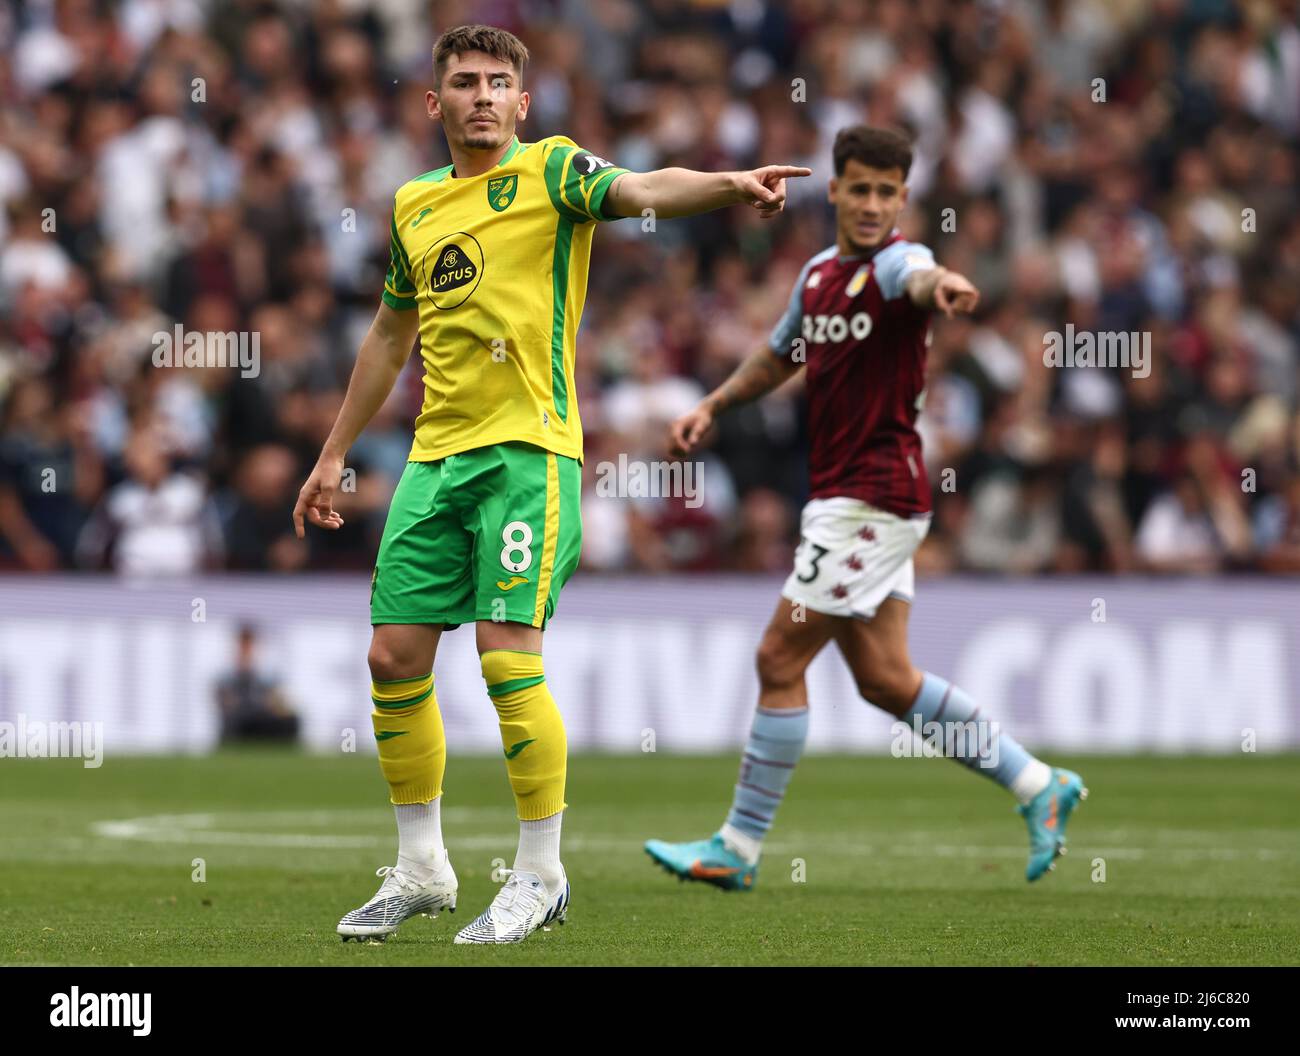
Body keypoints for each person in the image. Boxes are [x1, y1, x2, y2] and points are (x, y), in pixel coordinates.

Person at [291, 24, 810, 944]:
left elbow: (645, 188)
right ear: (435, 102)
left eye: (499, 82)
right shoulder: (413, 204)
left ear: (523, 103)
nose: (483, 95)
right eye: (464, 82)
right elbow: (386, 335)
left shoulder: (555, 172)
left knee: (504, 658)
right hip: (434, 458)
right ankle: (422, 866)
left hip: (528, 455)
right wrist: (334, 452)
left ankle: (539, 873)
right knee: (392, 657)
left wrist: (731, 185)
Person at [646, 125, 1087, 890]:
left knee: (777, 656)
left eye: (889, 192)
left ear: (903, 198)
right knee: (885, 678)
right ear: (838, 191)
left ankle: (737, 849)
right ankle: (1038, 784)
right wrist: (712, 405)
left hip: (873, 500)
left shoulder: (897, 268)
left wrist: (942, 285)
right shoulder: (819, 276)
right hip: (846, 497)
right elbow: (780, 353)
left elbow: (921, 276)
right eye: (861, 188)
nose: (874, 203)